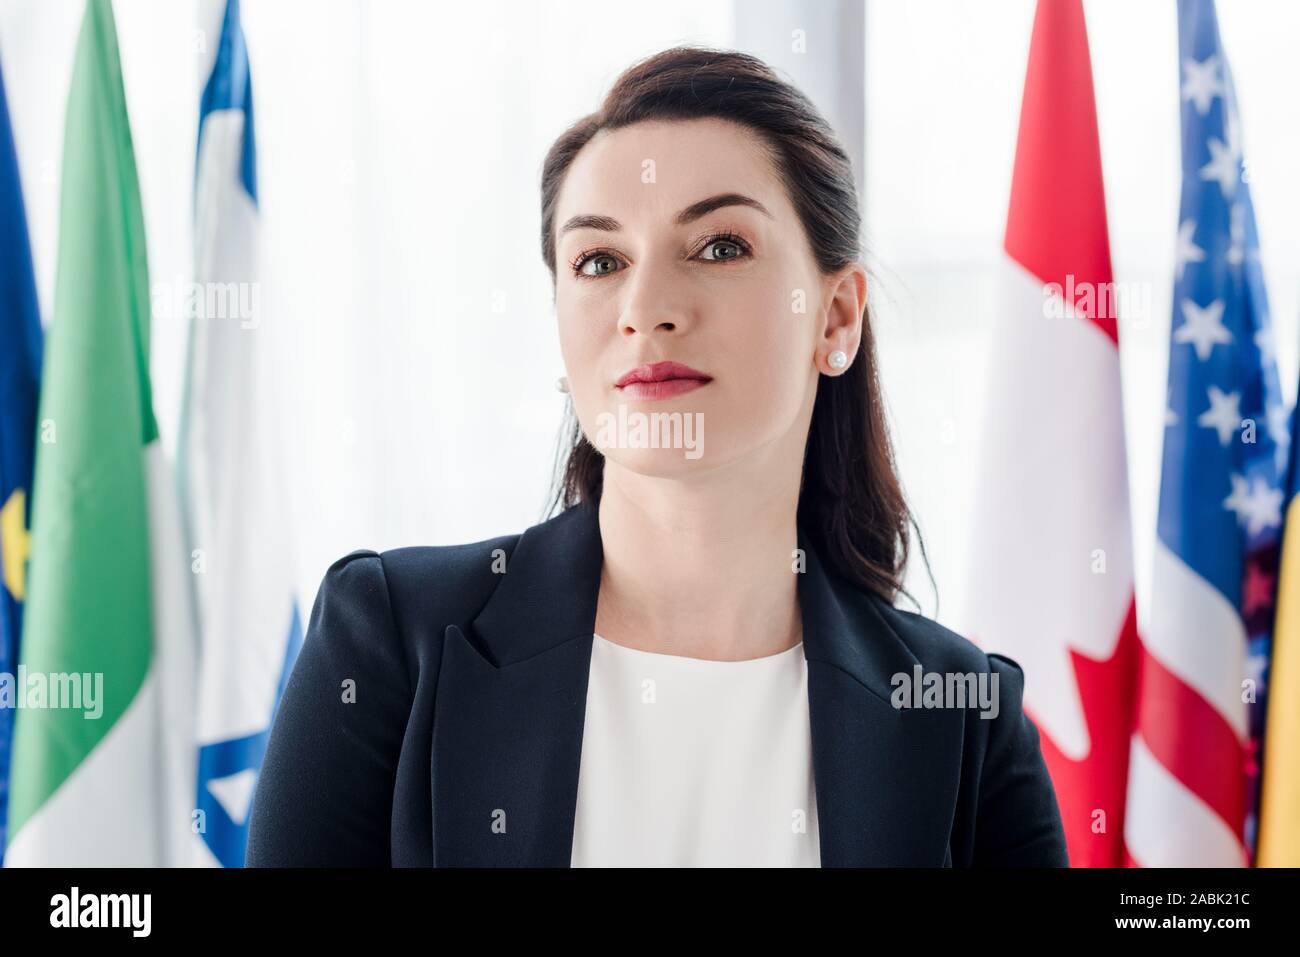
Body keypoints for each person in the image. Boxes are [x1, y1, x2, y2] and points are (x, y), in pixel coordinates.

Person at [245, 44, 1069, 868]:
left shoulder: (965, 718)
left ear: (836, 319)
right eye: (599, 261)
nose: (645, 309)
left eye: (718, 247)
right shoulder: (388, 643)